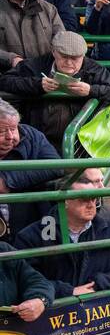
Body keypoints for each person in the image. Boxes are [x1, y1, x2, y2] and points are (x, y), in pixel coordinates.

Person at [12, 173, 110, 297]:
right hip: (55, 315)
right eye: (84, 199)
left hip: (97, 312)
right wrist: (69, 291)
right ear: (65, 201)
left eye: (94, 198)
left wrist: (96, 284)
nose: (91, 205)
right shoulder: (32, 236)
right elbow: (25, 281)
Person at [0, 31, 110, 148]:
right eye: (64, 56)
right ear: (53, 52)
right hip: (38, 132)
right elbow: (5, 81)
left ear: (83, 56)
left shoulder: (93, 69)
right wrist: (37, 85)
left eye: (75, 58)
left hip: (76, 138)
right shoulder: (37, 64)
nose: (68, 62)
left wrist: (91, 90)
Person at [0, 100, 64, 240]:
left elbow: (56, 166)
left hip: (31, 224)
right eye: (2, 131)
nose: (10, 137)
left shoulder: (31, 136)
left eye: (13, 128)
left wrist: (7, 181)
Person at [0, 0, 60, 73]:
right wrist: (10, 59)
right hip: (6, 79)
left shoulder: (48, 9)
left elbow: (61, 41)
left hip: (43, 78)